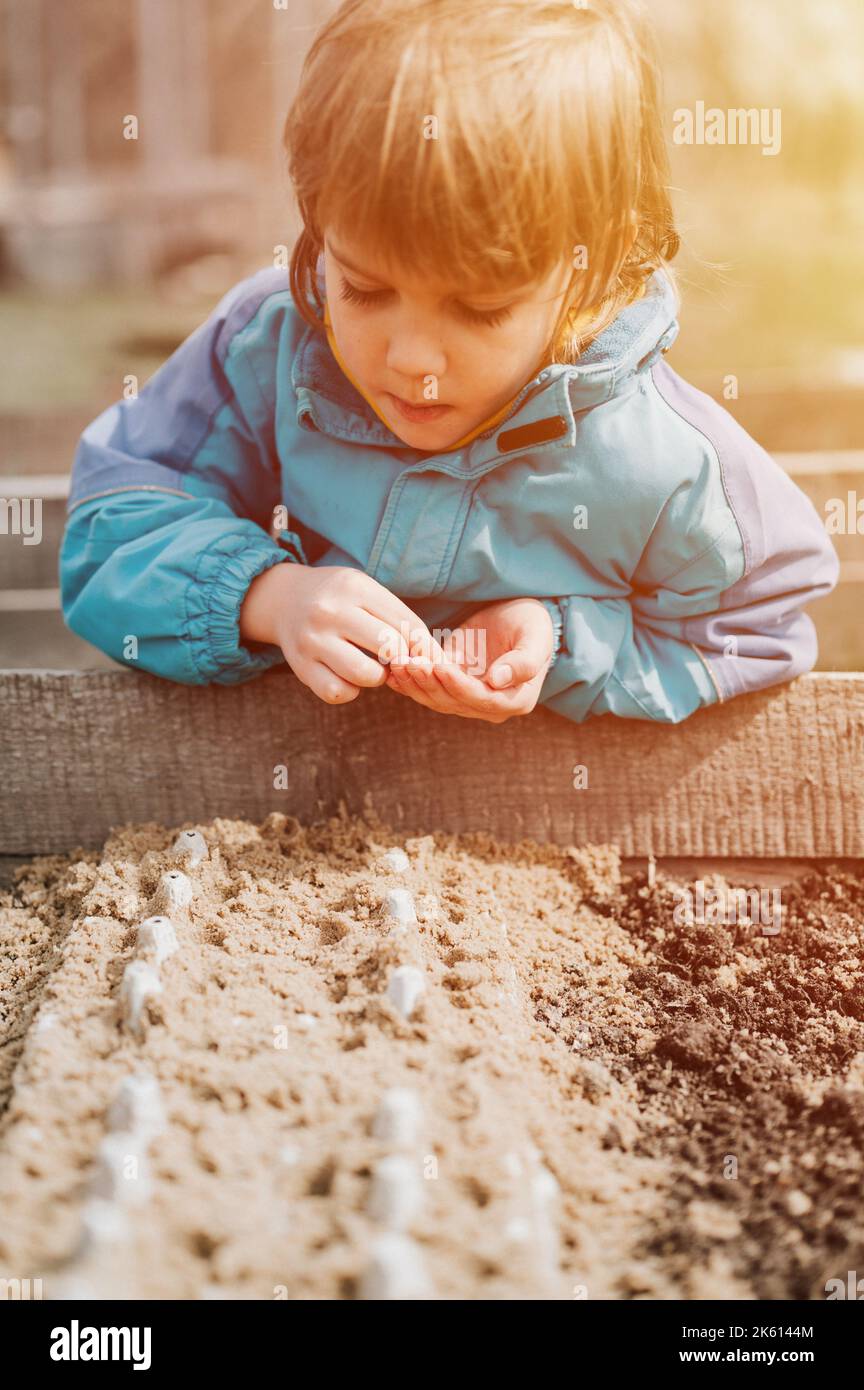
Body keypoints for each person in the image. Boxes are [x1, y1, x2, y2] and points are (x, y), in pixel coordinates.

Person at [60, 0, 838, 725]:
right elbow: (111, 531)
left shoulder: (663, 455)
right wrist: (270, 595)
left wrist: (561, 638)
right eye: (364, 287)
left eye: (479, 309)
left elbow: (759, 628)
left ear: (590, 272)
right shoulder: (265, 349)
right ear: (317, 223)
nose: (412, 360)